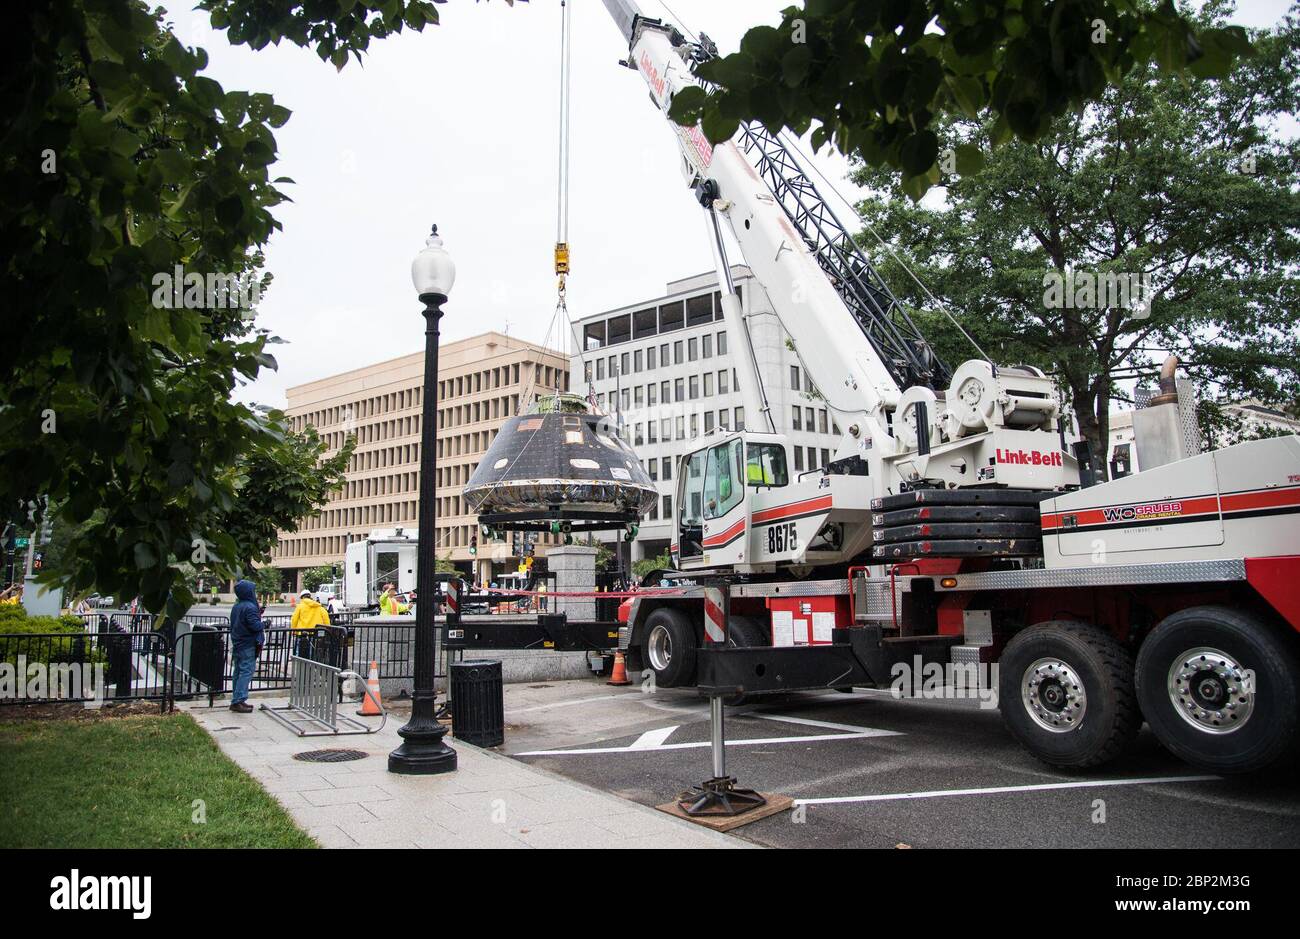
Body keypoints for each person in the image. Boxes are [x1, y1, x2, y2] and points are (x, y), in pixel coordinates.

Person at [228, 579, 264, 713]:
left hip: (238, 642)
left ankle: (237, 699)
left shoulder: (237, 606)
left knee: (238, 671)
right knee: (246, 672)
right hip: (247, 644)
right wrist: (264, 624)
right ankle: (239, 700)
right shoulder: (249, 607)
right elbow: (254, 626)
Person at [290, 588, 331, 657]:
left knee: (298, 649)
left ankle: (297, 662)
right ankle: (311, 664)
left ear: (302, 597)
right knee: (312, 650)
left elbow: (294, 619)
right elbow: (326, 618)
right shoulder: (319, 606)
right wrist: (328, 629)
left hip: (301, 632)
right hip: (315, 632)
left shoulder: (300, 607)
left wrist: (293, 630)